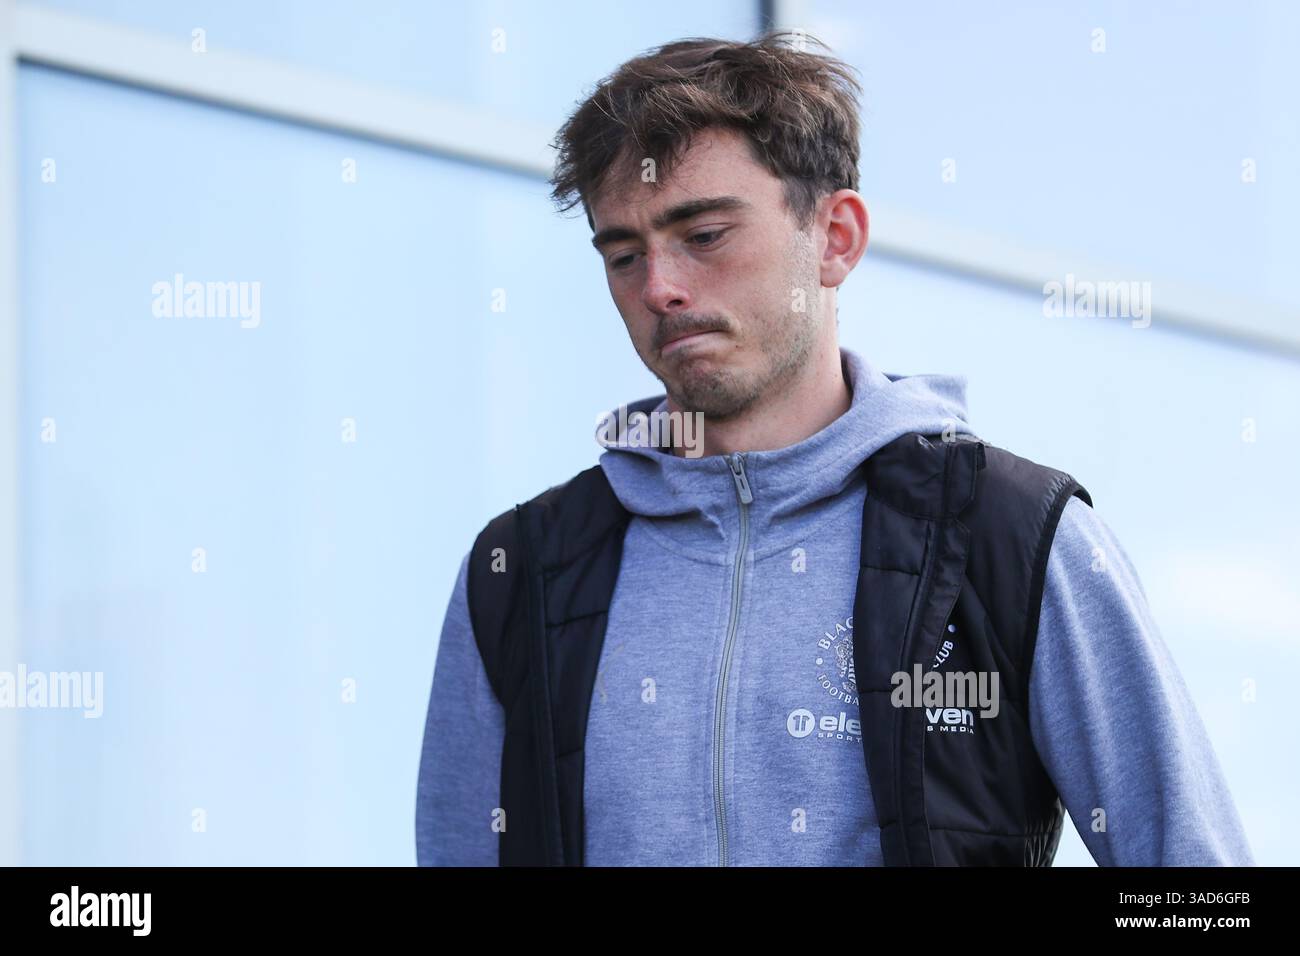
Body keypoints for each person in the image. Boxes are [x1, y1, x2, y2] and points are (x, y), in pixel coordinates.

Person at [415, 32, 1253, 866]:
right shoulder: (520, 570)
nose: (659, 287)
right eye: (624, 253)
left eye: (703, 235)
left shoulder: (1013, 538)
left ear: (836, 237)